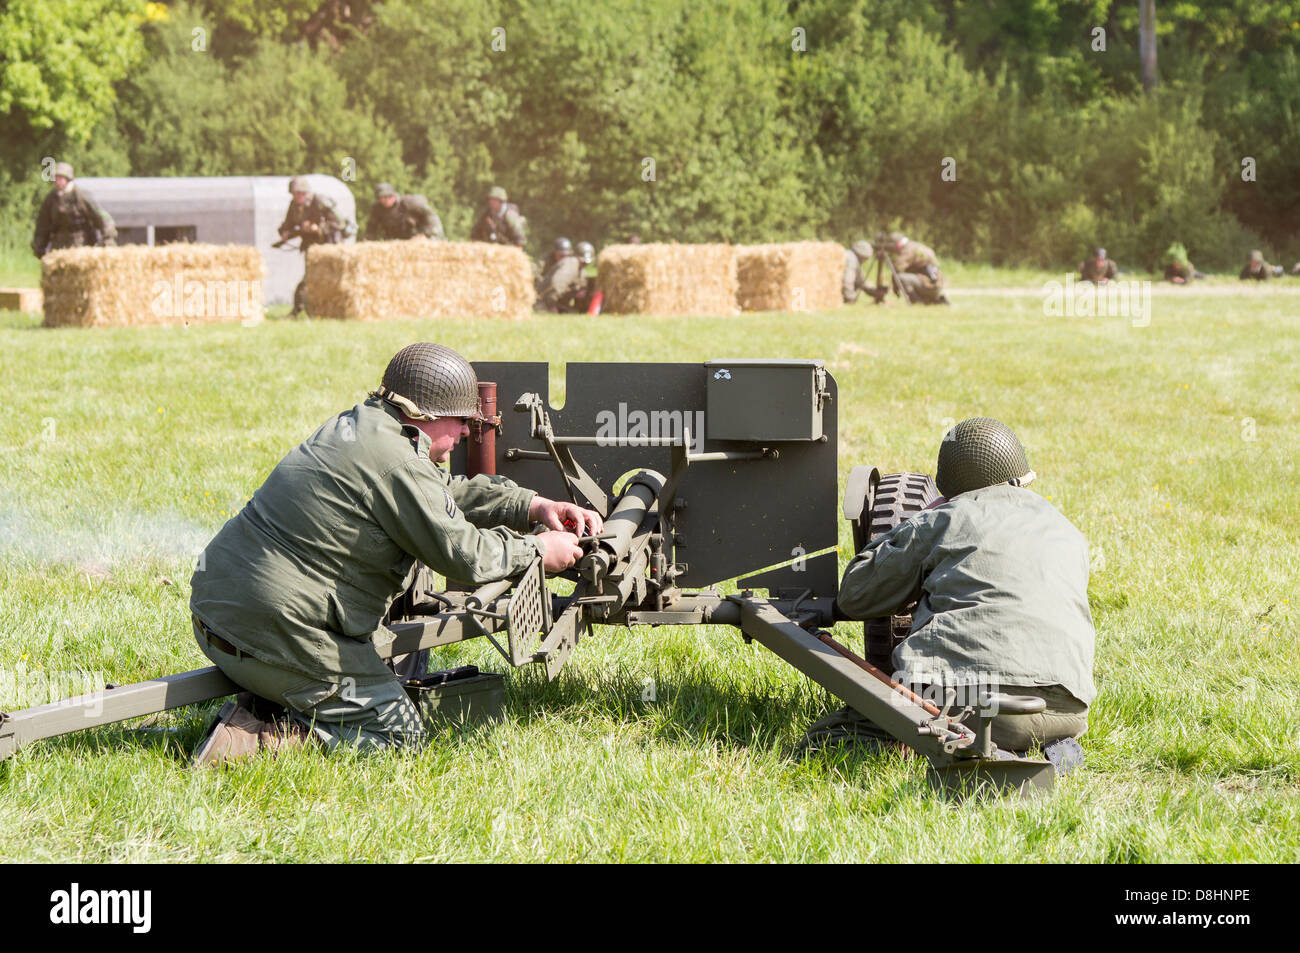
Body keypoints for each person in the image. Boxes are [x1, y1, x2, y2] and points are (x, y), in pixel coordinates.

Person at [189, 343, 600, 765]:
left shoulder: (369, 426)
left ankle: (272, 702)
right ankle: (245, 743)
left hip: (219, 611)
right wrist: (536, 549)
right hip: (269, 629)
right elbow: (466, 556)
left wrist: (532, 506)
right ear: (426, 414)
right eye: (461, 420)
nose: (464, 433)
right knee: (399, 734)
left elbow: (435, 494)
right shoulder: (397, 462)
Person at [799, 417, 1096, 760]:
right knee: (1022, 729)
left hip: (966, 696)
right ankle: (1044, 753)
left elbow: (856, 595)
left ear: (950, 486)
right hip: (1064, 709)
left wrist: (916, 523)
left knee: (830, 739)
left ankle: (985, 754)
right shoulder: (1066, 529)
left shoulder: (946, 518)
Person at [278, 175, 352, 317]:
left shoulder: (320, 202)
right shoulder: (294, 206)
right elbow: (288, 224)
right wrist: (284, 233)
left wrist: (318, 228)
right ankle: (298, 310)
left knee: (335, 279)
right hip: (311, 247)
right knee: (309, 279)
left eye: (301, 193)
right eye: (295, 193)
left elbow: (339, 223)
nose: (298, 196)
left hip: (330, 245)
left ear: (307, 192)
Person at [31, 162, 116, 257]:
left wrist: (108, 239)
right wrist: (39, 245)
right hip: (59, 247)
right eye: (56, 178)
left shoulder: (82, 196)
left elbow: (102, 217)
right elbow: (43, 224)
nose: (57, 181)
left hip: (82, 246)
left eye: (60, 178)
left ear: (68, 179)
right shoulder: (51, 198)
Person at [364, 182, 445, 241]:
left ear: (394, 195)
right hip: (395, 241)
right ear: (379, 198)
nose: (387, 200)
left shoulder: (409, 202)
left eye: (389, 196)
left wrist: (433, 235)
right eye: (383, 197)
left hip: (417, 237)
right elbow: (371, 228)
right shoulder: (377, 209)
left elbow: (430, 214)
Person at [886, 231, 948, 304]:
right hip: (937, 283)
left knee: (900, 277)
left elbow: (897, 269)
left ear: (897, 244)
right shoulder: (916, 246)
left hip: (930, 284)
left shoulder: (908, 250)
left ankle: (917, 301)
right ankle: (930, 299)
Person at [535, 237, 591, 312]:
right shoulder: (545, 261)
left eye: (566, 255)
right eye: (561, 255)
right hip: (545, 293)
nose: (564, 258)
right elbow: (556, 284)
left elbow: (579, 283)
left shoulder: (572, 266)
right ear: (555, 252)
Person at [842, 239, 873, 304]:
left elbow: (861, 279)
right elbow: (848, 280)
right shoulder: (851, 260)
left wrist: (872, 290)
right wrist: (850, 297)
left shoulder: (851, 256)